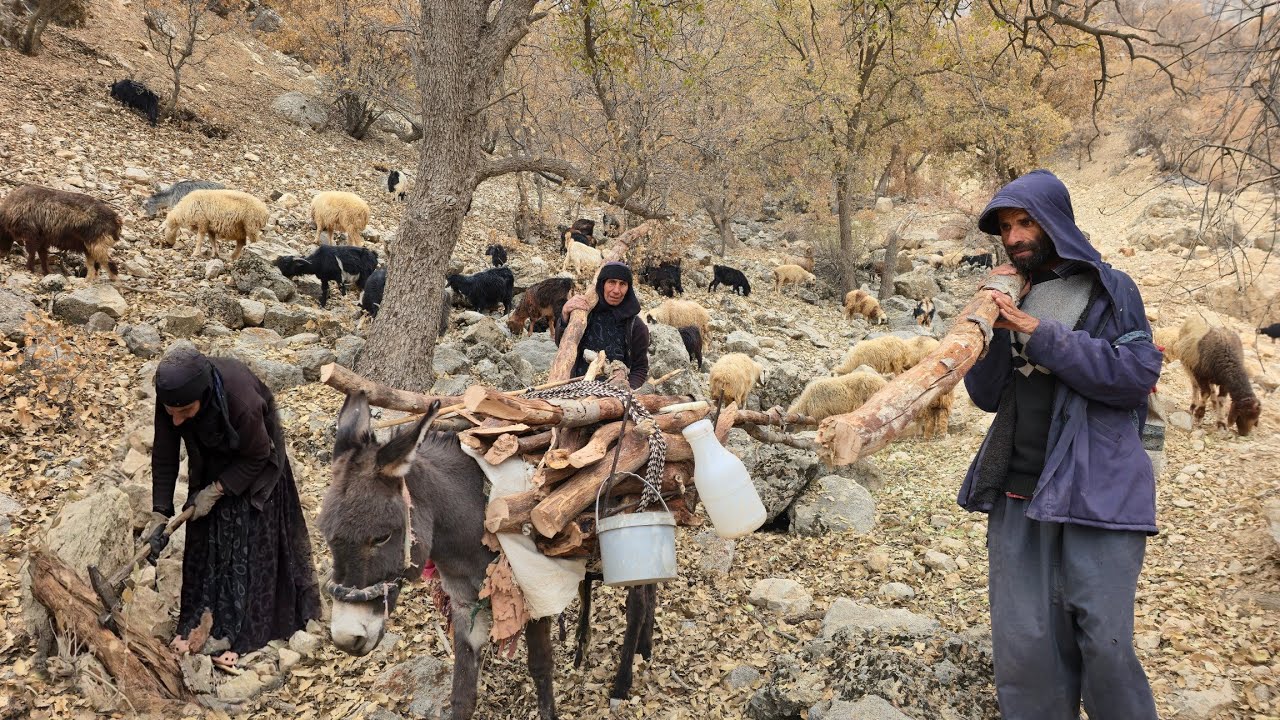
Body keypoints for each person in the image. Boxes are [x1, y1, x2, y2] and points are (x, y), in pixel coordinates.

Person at [960, 169, 1163, 719]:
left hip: (1097, 490)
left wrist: (1036, 330)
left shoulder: (1109, 288)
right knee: (1025, 648)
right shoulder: (1011, 291)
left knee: (1105, 642)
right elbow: (987, 394)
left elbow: (1135, 376)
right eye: (1005, 226)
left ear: (1055, 223)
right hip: (1019, 493)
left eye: (1026, 222)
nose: (1015, 236)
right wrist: (985, 328)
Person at [148, 347, 320, 667]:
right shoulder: (172, 397)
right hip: (209, 457)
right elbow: (165, 453)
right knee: (204, 538)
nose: (176, 418)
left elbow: (258, 454)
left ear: (204, 395)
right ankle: (197, 623)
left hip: (257, 461)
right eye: (171, 410)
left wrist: (216, 491)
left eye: (184, 410)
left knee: (243, 540)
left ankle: (242, 634)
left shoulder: (241, 399)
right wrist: (160, 512)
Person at [556, 261, 650, 389]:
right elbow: (563, 345)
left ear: (629, 289)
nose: (616, 290)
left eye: (622, 284)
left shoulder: (636, 327)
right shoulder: (584, 314)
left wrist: (627, 391)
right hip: (576, 389)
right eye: (611, 282)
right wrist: (565, 315)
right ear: (602, 284)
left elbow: (640, 368)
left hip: (614, 395)